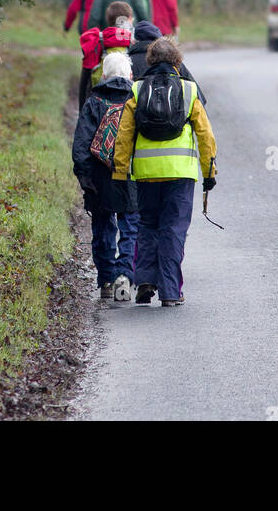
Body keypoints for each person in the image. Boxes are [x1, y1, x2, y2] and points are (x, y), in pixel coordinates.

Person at [112, 37, 217, 308]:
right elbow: (205, 135)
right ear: (178, 62)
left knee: (146, 225)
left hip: (146, 173)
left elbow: (123, 135)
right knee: (172, 229)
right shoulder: (189, 90)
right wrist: (209, 172)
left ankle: (145, 281)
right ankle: (170, 291)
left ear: (149, 61)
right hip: (180, 174)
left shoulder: (136, 90)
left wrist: (120, 172)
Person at [72, 51, 139, 306]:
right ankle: (124, 273)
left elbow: (81, 142)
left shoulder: (94, 100)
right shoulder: (135, 99)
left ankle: (106, 280)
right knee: (130, 225)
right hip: (130, 172)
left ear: (103, 74)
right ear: (130, 75)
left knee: (102, 227)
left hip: (100, 176)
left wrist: (84, 175)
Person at [127, 19, 206, 104]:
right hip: (175, 115)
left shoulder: (127, 62)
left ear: (134, 40)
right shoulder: (173, 62)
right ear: (159, 40)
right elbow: (200, 99)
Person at [78, 1, 134, 108]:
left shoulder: (97, 40)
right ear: (128, 20)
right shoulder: (133, 42)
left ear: (108, 20)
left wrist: (82, 111)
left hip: (98, 104)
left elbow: (85, 81)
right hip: (126, 106)